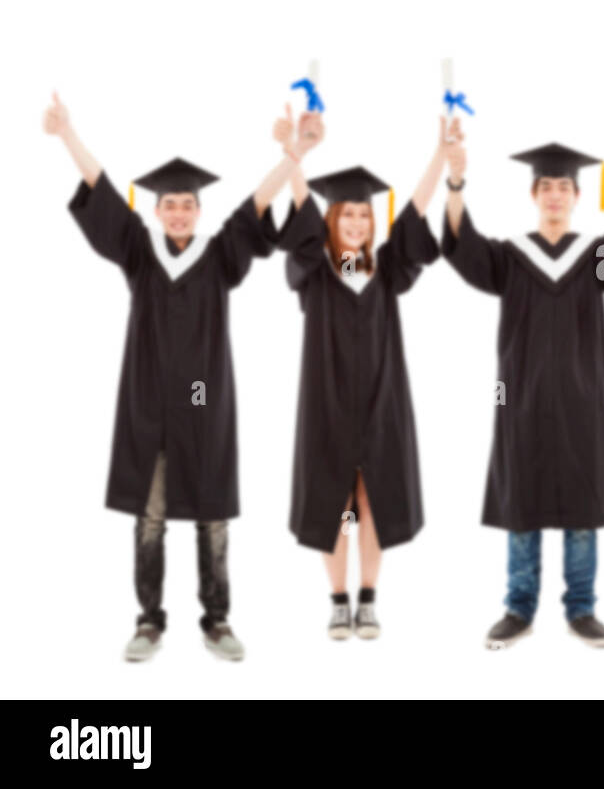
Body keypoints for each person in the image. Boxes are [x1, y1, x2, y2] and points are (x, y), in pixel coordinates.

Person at [46, 90, 313, 662]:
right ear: (157, 211)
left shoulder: (219, 258)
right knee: (150, 520)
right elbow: (105, 192)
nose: (178, 213)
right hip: (148, 409)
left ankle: (217, 621)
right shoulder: (140, 254)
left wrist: (293, 158)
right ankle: (149, 620)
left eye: (186, 205)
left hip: (204, 405)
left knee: (213, 519)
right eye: (168, 204)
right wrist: (68, 133)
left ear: (198, 210)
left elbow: (255, 206)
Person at [441, 122, 604, 649]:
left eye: (563, 187)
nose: (555, 194)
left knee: (582, 509)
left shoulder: (592, 257)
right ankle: (518, 607)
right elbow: (462, 249)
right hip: (522, 404)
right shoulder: (510, 259)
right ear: (534, 195)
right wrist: (457, 182)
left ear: (576, 196)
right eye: (546, 187)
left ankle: (581, 609)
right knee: (522, 507)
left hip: (584, 404)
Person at [274, 106, 447, 640]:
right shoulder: (314, 271)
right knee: (334, 502)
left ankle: (367, 599)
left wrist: (441, 154)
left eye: (364, 216)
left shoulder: (386, 268)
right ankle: (338, 600)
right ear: (332, 221)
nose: (356, 223)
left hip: (381, 404)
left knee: (371, 499)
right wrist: (295, 156)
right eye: (346, 215)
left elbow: (416, 212)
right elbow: (301, 209)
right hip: (326, 407)